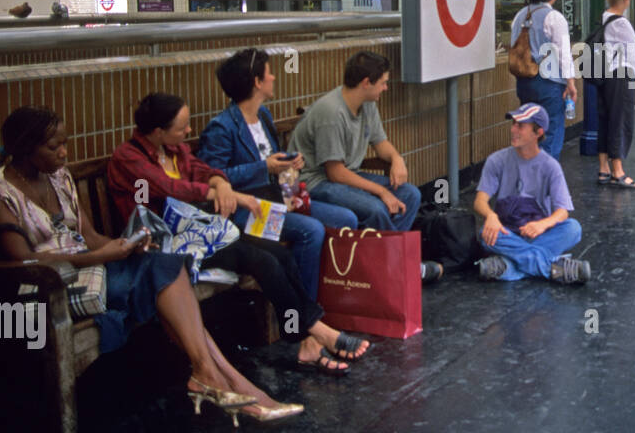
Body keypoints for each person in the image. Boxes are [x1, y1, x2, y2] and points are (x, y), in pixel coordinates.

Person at [0, 106, 300, 424]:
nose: (64, 153)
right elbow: (23, 261)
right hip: (45, 288)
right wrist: (103, 256)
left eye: (65, 143)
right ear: (25, 148)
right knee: (164, 273)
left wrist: (127, 245)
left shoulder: (58, 178)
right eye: (54, 146)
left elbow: (91, 237)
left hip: (89, 272)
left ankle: (215, 376)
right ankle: (223, 379)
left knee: (164, 266)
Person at [108, 93, 369, 377]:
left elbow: (206, 170)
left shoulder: (175, 150)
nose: (189, 131)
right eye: (182, 127)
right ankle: (314, 331)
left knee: (279, 253)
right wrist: (230, 195)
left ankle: (307, 338)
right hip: (163, 250)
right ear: (158, 131)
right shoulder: (128, 158)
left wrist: (220, 184)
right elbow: (168, 188)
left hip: (199, 235)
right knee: (261, 260)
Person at [198, 48, 366, 299]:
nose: (274, 77)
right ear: (257, 82)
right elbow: (213, 175)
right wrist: (264, 167)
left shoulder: (263, 115)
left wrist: (289, 165)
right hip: (247, 210)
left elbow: (273, 160)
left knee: (347, 220)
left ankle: (334, 298)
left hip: (278, 197)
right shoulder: (222, 127)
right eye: (269, 73)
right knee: (311, 231)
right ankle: (305, 313)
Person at [291, 51, 423, 236]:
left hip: (349, 175)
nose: (386, 87)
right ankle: (391, 257)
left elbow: (380, 142)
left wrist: (396, 158)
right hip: (317, 183)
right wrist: (381, 192)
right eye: (383, 83)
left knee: (411, 194)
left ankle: (389, 255)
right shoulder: (331, 113)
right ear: (366, 83)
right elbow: (335, 173)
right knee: (376, 209)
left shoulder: (367, 102)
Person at [474, 103, 589, 284]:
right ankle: (553, 269)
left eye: (520, 126)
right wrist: (490, 216)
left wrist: (543, 224)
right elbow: (480, 200)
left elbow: (563, 211)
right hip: (506, 232)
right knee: (485, 234)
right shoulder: (496, 160)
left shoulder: (551, 166)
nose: (513, 130)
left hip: (538, 234)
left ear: (538, 132)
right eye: (513, 124)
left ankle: (508, 266)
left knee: (573, 228)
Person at [510, 0, 577, 158]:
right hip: (549, 84)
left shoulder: (519, 17)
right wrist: (570, 83)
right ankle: (545, 177)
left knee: (529, 130)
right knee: (551, 130)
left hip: (524, 83)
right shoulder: (554, 18)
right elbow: (563, 53)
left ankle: (528, 174)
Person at [593, 0, 635, 188]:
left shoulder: (604, 19)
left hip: (604, 76)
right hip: (620, 76)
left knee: (605, 120)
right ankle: (618, 171)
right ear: (625, 0)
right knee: (621, 120)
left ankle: (603, 168)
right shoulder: (621, 23)